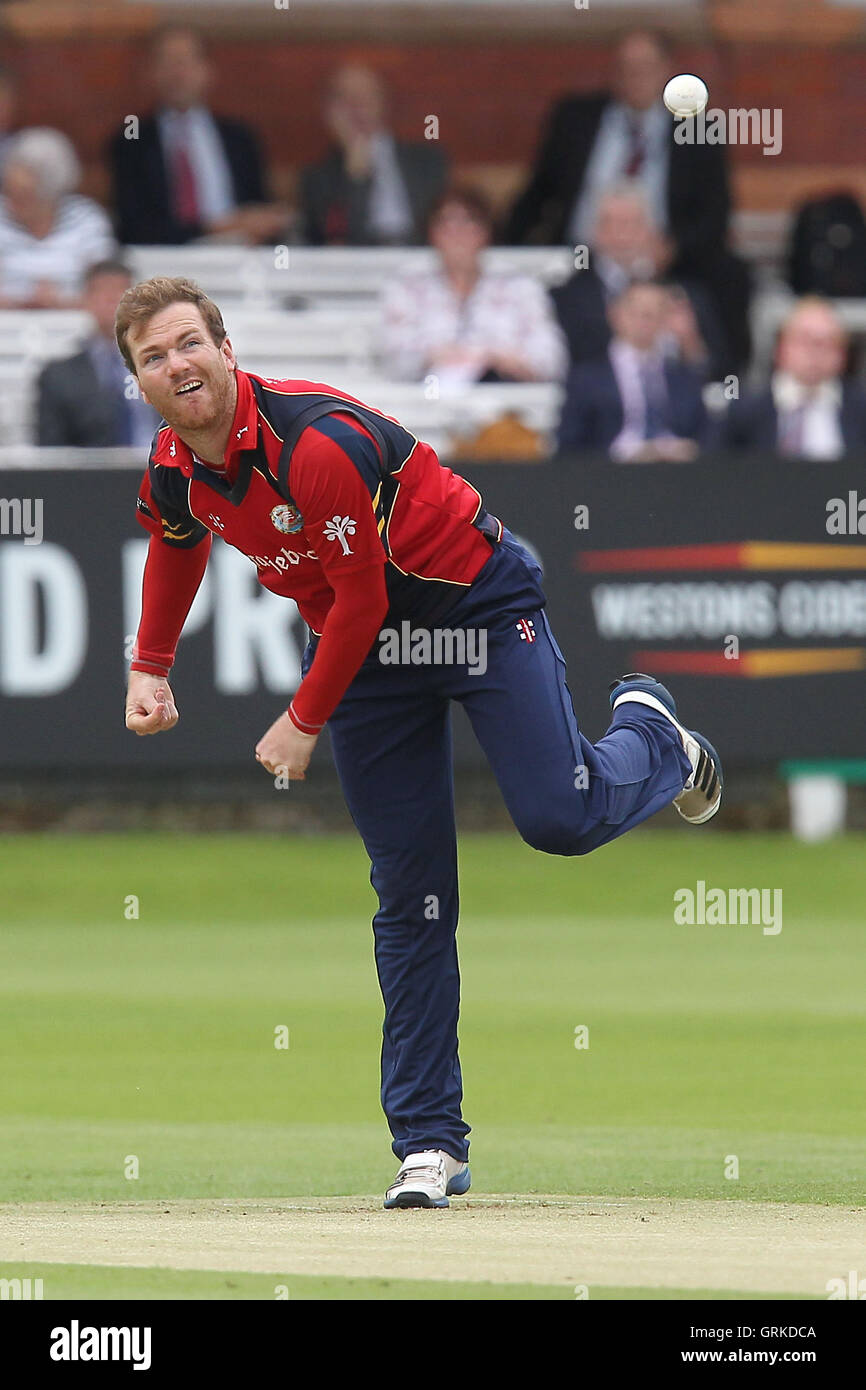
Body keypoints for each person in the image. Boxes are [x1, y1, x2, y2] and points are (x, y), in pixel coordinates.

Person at [119, 275, 722, 1209]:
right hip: (365, 656)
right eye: (152, 356)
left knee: (559, 818)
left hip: (474, 605)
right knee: (412, 897)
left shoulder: (312, 445)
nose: (176, 365)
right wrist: (149, 664)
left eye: (188, 342)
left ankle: (654, 734)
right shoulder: (171, 459)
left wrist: (301, 718)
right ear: (137, 379)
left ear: (226, 348)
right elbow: (177, 538)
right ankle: (430, 1145)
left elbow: (361, 601)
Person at [504, 28, 751, 370]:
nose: (635, 77)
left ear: (667, 70)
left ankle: (724, 381)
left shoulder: (698, 129)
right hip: (582, 255)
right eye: (626, 68)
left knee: (730, 277)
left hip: (666, 259)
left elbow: (716, 213)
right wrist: (500, 248)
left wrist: (671, 247)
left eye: (645, 67)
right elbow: (539, 192)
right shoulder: (576, 119)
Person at [108, 26, 284, 246]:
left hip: (240, 257)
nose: (178, 73)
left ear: (208, 70)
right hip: (164, 261)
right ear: (150, 72)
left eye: (187, 62)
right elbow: (135, 226)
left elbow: (259, 209)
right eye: (167, 62)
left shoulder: (240, 137)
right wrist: (217, 227)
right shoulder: (131, 140)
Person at [379, 186, 569, 385]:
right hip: (425, 397)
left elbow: (553, 361)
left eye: (468, 221)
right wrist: (437, 357)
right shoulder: (407, 285)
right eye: (446, 222)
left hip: (506, 399)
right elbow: (393, 359)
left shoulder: (520, 286)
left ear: (486, 231)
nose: (457, 233)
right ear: (431, 233)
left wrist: (496, 358)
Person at [550, 181, 729, 379]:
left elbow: (722, 373)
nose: (621, 235)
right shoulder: (568, 296)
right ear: (594, 233)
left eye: (632, 223)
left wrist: (690, 344)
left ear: (651, 232)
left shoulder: (689, 295)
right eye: (610, 224)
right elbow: (565, 367)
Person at [299, 64, 448, 246]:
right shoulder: (318, 176)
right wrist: (356, 178)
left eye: (365, 96)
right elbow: (343, 239)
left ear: (384, 103)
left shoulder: (426, 160)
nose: (355, 106)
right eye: (344, 98)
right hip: (360, 267)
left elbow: (441, 227)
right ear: (330, 110)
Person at [557, 281, 708, 459]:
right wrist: (624, 454)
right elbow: (569, 444)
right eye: (637, 312)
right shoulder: (585, 379)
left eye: (654, 313)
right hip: (609, 475)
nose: (645, 320)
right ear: (615, 315)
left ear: (666, 319)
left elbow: (705, 433)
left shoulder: (684, 377)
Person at [719, 297, 866, 459]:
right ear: (780, 347)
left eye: (827, 342)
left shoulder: (860, 408)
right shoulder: (745, 410)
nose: (815, 352)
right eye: (805, 340)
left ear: (843, 354)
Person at [36, 260, 160, 447]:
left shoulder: (165, 362)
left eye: (122, 291)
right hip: (95, 473)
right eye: (102, 291)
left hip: (165, 468)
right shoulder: (58, 376)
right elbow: (53, 454)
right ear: (86, 300)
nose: (112, 299)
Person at [0, 128, 116, 307]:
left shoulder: (87, 219)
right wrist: (16, 303)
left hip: (77, 324)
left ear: (51, 193)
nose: (11, 204)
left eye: (24, 196)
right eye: (9, 192)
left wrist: (62, 302)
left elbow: (109, 290)